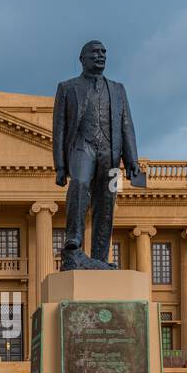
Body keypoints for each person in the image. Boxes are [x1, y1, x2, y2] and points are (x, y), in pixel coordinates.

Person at [52, 41, 140, 271]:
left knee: (107, 202)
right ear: (82, 58)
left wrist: (132, 161)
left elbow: (126, 125)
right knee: (79, 183)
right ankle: (74, 241)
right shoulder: (67, 88)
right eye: (95, 52)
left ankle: (99, 256)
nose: (100, 56)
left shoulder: (118, 89)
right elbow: (59, 128)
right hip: (83, 146)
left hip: (110, 154)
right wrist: (60, 166)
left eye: (103, 53)